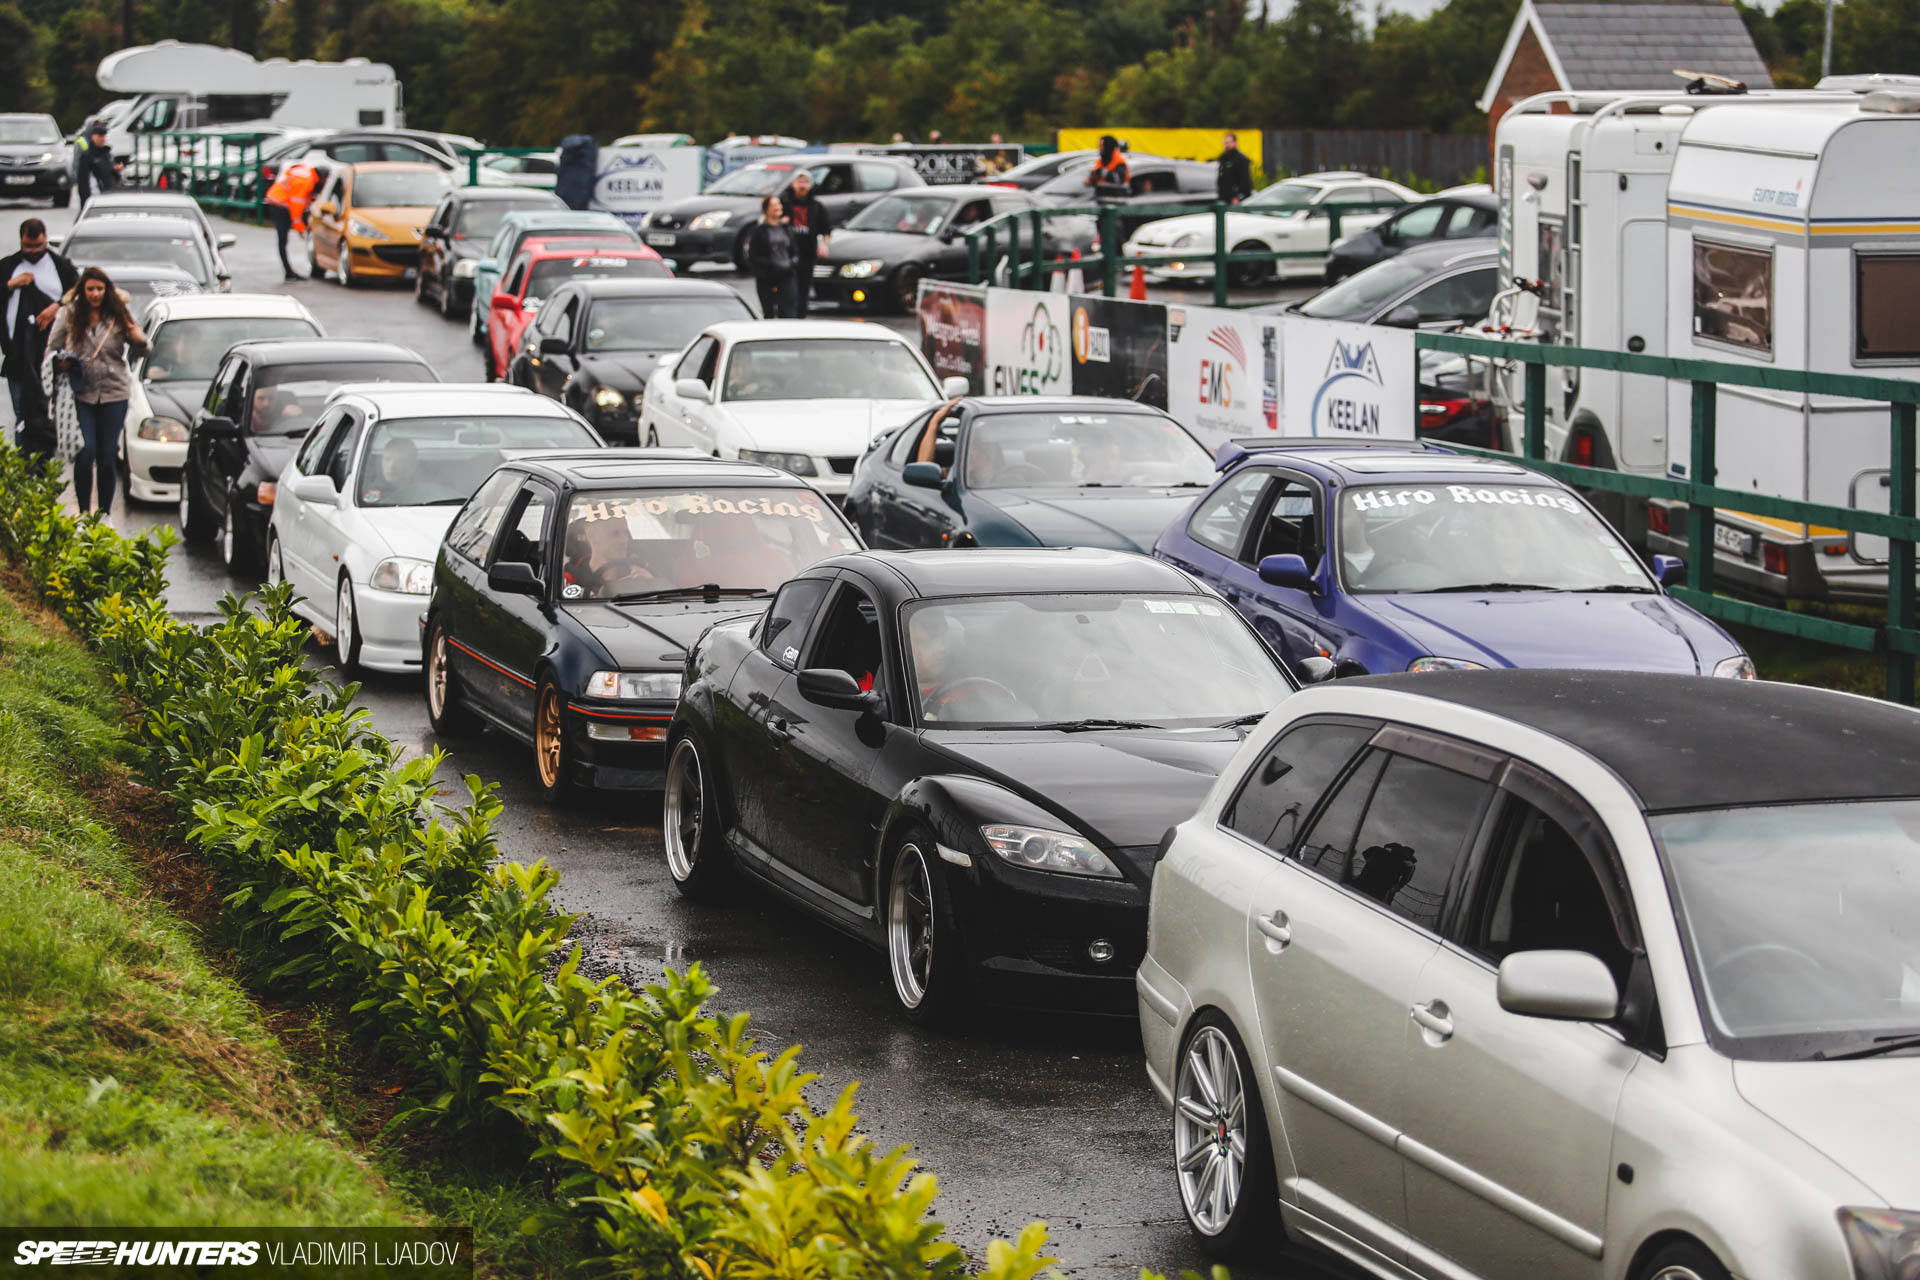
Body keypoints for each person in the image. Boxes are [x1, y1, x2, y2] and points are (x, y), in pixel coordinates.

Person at [46, 267, 147, 515]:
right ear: (82, 290)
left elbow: (143, 350)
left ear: (107, 290)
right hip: (81, 392)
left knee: (107, 454)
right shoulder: (70, 314)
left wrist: (138, 338)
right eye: (90, 289)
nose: (95, 294)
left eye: (99, 289)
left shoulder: (118, 313)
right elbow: (52, 348)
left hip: (114, 392)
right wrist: (61, 362)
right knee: (85, 451)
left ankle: (104, 514)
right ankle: (83, 513)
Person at [0, 218, 77, 457]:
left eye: (38, 246)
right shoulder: (9, 266)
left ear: (46, 241)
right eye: (28, 247)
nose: (33, 252)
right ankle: (23, 465)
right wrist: (12, 284)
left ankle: (45, 464)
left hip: (50, 357)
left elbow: (78, 293)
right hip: (17, 357)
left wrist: (56, 306)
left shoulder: (61, 266)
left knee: (46, 415)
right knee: (22, 415)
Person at [780, 171, 832, 319]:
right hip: (787, 253)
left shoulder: (816, 206)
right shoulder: (784, 203)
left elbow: (826, 229)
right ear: (793, 184)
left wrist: (824, 246)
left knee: (804, 288)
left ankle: (801, 316)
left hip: (808, 252)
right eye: (799, 182)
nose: (802, 186)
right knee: (789, 287)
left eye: (806, 182)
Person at [263, 160, 319, 282]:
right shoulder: (306, 182)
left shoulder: (307, 175)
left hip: (278, 201)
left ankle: (289, 271)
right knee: (282, 239)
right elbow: (296, 210)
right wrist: (301, 230)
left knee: (283, 240)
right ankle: (288, 271)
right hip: (279, 204)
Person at [744, 195, 796, 319]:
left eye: (779, 204)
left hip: (786, 274)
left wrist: (793, 262)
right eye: (774, 205)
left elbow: (794, 250)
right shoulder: (759, 231)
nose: (778, 207)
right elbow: (753, 256)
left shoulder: (786, 228)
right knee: (769, 311)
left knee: (787, 310)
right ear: (767, 209)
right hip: (767, 276)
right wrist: (770, 264)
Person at [76, 123, 119, 205]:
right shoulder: (87, 156)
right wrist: (85, 202)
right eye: (100, 136)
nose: (103, 138)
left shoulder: (108, 154)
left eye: (104, 136)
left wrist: (116, 171)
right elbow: (83, 181)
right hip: (96, 199)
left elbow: (112, 177)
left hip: (110, 196)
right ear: (93, 136)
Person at [1216, 132, 1253, 206]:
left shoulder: (1241, 159)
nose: (1227, 145)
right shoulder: (1223, 158)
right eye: (1225, 143)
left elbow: (1245, 180)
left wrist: (1238, 196)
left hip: (1236, 199)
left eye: (1229, 142)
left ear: (1235, 143)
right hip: (1223, 197)